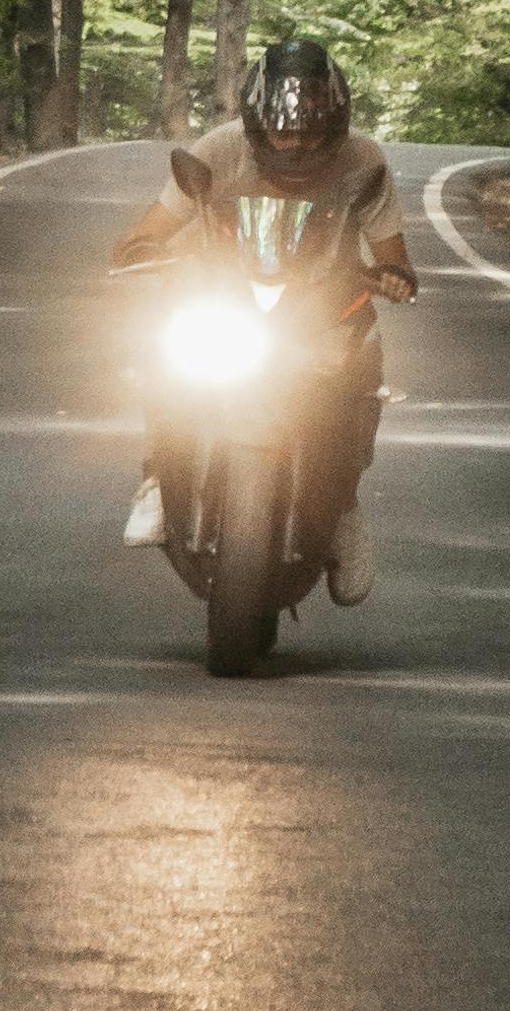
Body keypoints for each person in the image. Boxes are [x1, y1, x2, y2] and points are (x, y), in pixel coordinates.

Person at [109, 37, 419, 604]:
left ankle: (343, 508)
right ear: (254, 121)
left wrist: (394, 275)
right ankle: (158, 473)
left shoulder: (364, 161)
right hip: (225, 297)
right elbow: (150, 229)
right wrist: (142, 249)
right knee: (164, 350)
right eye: (281, 131)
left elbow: (391, 254)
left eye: (307, 132)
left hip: (321, 307)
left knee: (362, 371)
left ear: (335, 121)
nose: (293, 143)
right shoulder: (219, 150)